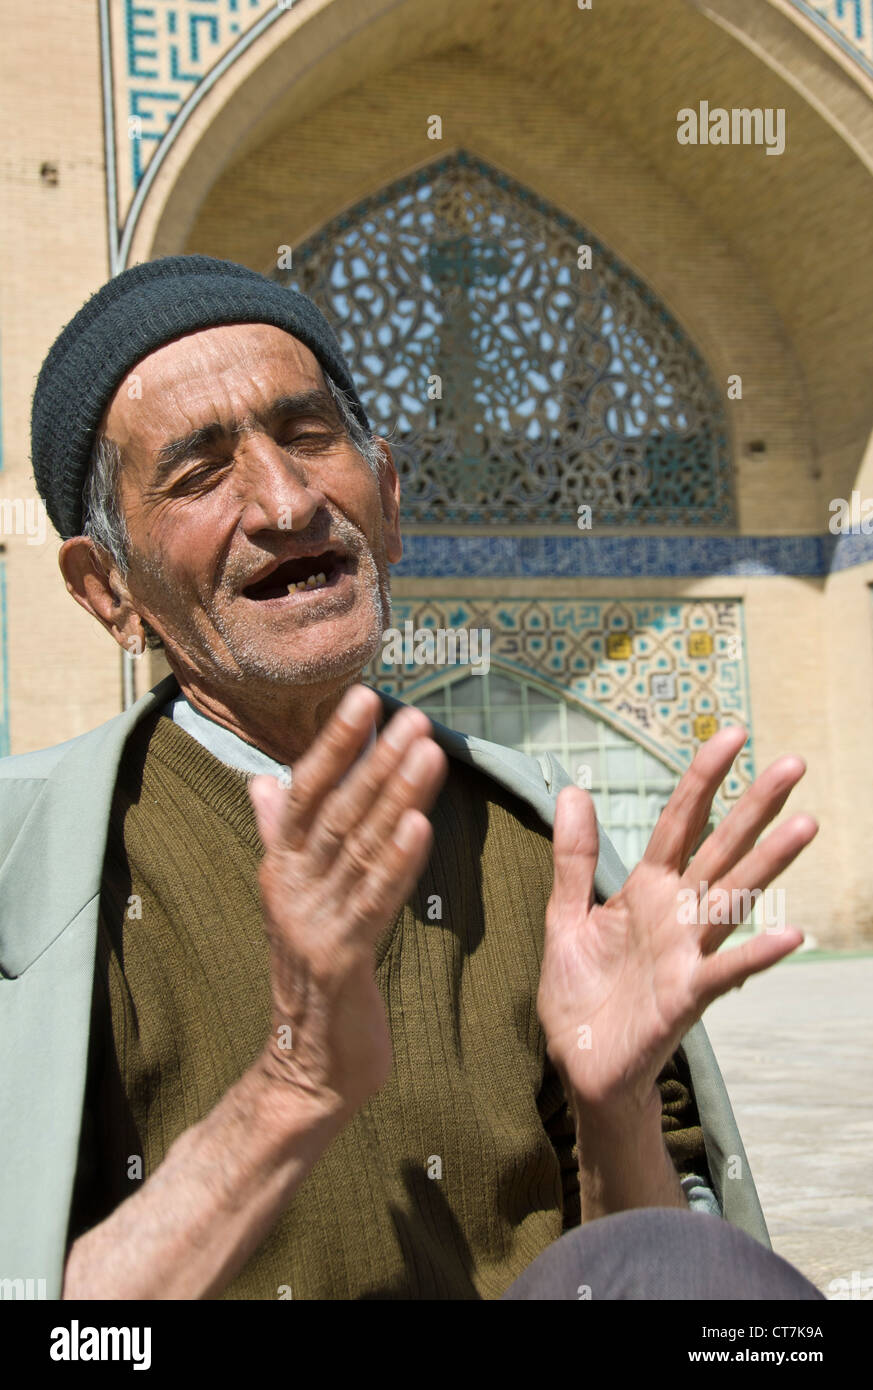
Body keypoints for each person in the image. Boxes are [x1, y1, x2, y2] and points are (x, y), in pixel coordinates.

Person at [0, 255, 823, 1300]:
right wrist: (293, 1088)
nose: (287, 499)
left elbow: (633, 1272)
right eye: (201, 474)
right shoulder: (32, 874)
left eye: (308, 438)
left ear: (387, 498)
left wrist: (611, 1101)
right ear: (108, 589)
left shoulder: (530, 840)